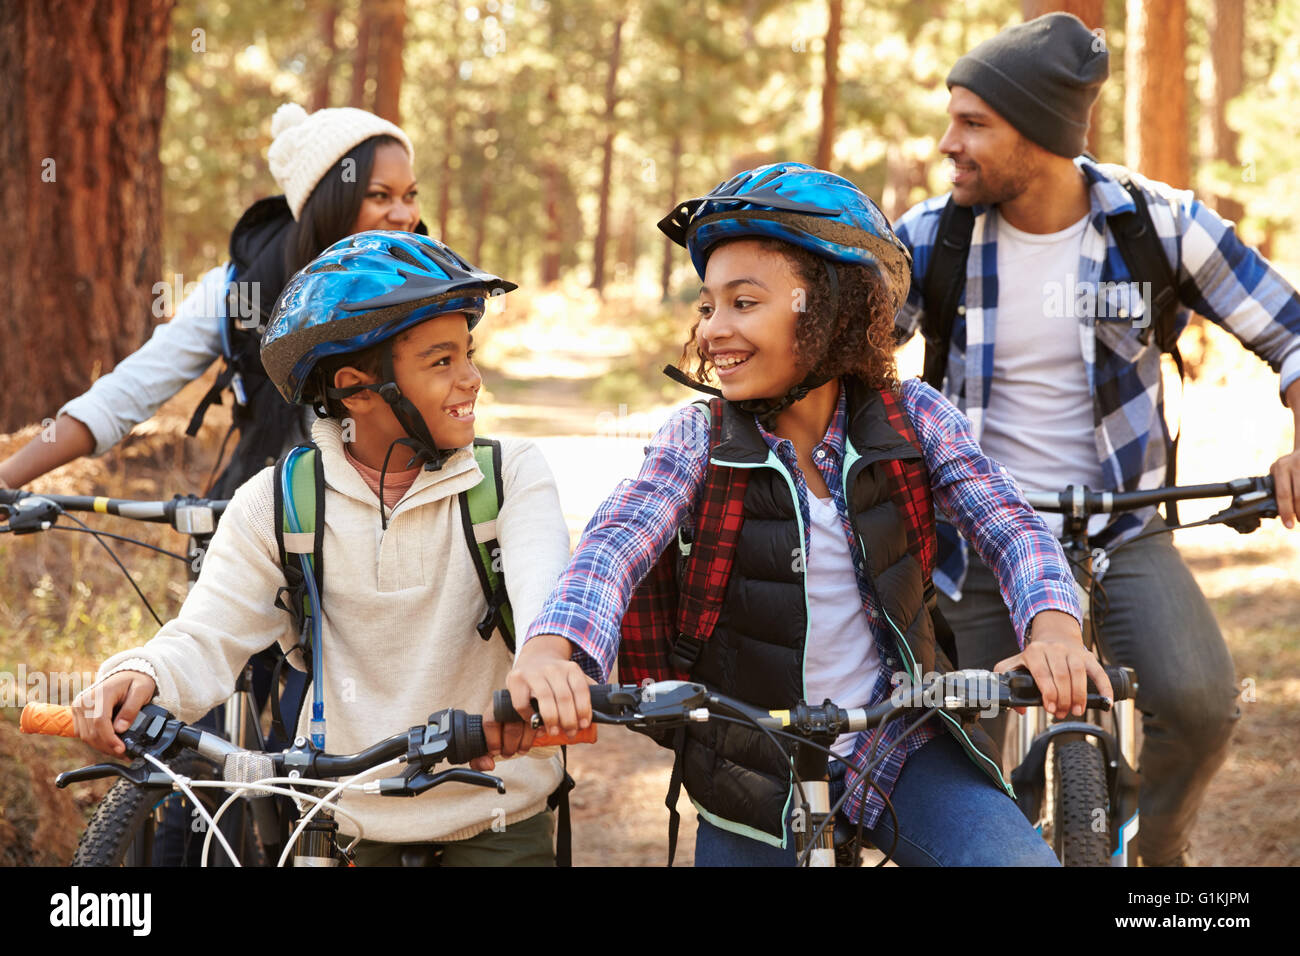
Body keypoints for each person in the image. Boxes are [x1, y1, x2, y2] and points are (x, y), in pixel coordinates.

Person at [505, 161, 1114, 866]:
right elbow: (615, 544)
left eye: (743, 302)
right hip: (749, 766)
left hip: (901, 742)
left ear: (831, 309)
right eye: (707, 306)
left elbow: (1010, 526)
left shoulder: (913, 417)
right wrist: (553, 654)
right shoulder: (697, 437)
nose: (712, 331)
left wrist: (1056, 633)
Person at [891, 13, 1300, 866]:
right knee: (960, 733)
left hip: (1126, 524)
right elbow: (838, 368)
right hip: (978, 536)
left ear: (1036, 134)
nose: (945, 143)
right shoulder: (934, 236)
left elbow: (1292, 330)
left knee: (1199, 702)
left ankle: (1158, 851)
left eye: (972, 124)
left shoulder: (1159, 224)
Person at [70, 231, 572, 865]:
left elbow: (546, 594)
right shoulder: (281, 502)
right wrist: (140, 675)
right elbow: (206, 632)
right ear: (358, 388)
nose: (472, 379)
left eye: (467, 354)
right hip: (351, 820)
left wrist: (548, 660)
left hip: (500, 811)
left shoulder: (510, 476)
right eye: (441, 362)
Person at [0, 102, 426, 499]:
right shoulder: (237, 289)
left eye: (410, 195)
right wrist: (8, 477)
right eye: (379, 195)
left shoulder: (427, 287)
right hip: (266, 514)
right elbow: (129, 390)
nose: (404, 215)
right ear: (330, 201)